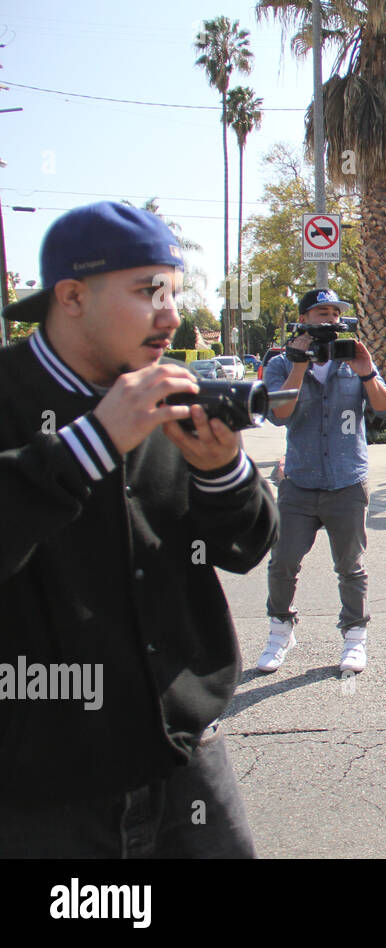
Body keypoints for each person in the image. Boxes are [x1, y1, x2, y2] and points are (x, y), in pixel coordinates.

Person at [0, 201, 278, 857]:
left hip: (188, 763)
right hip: (45, 793)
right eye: (148, 290)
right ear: (72, 296)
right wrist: (92, 442)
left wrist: (221, 472)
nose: (173, 314)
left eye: (174, 292)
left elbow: (244, 548)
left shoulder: (164, 391)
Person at [259, 289, 386, 674]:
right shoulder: (280, 363)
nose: (330, 320)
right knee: (283, 562)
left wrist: (367, 371)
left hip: (346, 482)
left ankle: (354, 638)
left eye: (336, 313)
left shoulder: (351, 359)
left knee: (351, 567)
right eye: (322, 313)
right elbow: (280, 415)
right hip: (300, 482)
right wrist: (299, 364)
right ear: (303, 319)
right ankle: (280, 631)